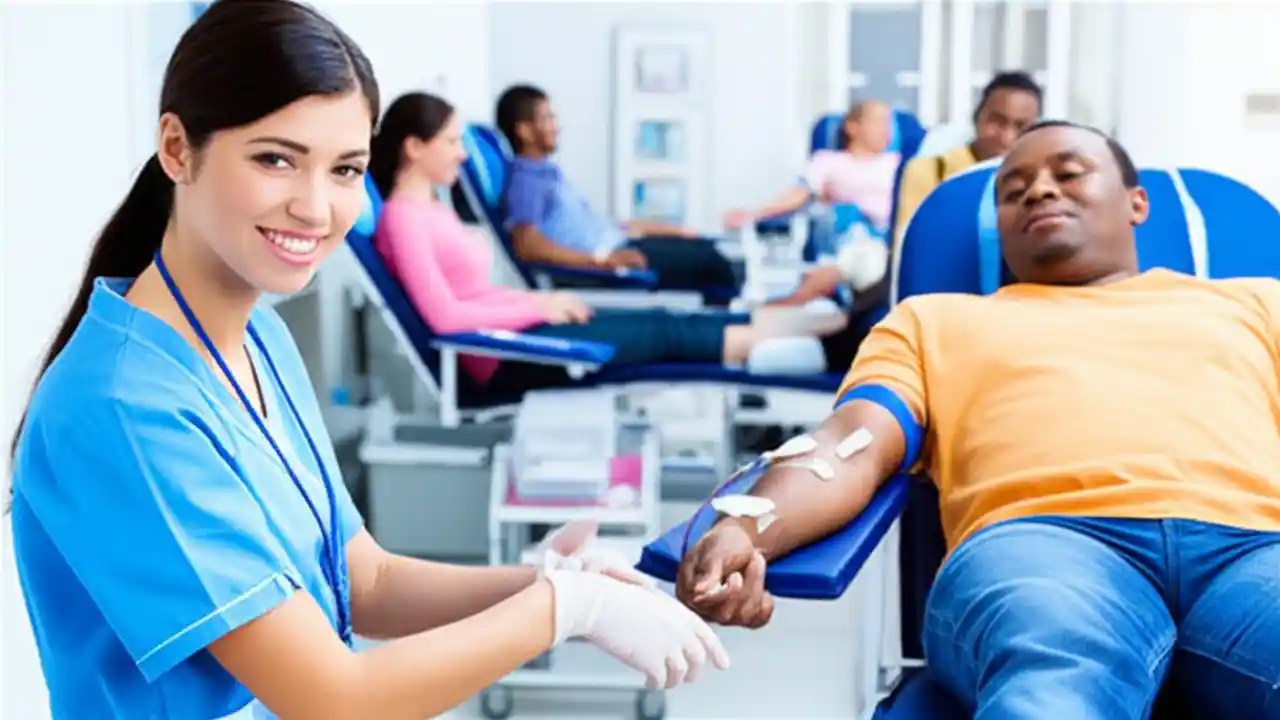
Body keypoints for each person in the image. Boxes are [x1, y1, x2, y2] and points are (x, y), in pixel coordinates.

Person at [8, 3, 729, 718]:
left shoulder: (260, 341)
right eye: (275, 159)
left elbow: (366, 580)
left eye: (346, 169)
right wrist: (564, 609)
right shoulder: (119, 408)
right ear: (176, 149)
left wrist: (540, 581)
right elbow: (334, 698)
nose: (316, 209)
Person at [675, 122, 1280, 718]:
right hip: (1047, 547)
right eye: (1013, 192)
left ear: (1136, 202)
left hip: (1257, 551)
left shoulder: (1255, 305)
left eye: (1068, 174)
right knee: (1058, 679)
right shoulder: (933, 322)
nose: (1039, 191)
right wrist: (748, 528)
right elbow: (848, 444)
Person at [369, 91, 847, 394]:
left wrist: (542, 301)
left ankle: (819, 330)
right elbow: (445, 317)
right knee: (665, 334)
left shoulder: (432, 211)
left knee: (665, 323)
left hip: (518, 332)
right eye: (451, 142)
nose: (461, 153)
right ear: (415, 147)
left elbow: (477, 295)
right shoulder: (403, 220)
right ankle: (827, 348)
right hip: (503, 357)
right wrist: (539, 309)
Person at [495, 84, 739, 301]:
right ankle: (731, 338)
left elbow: (606, 225)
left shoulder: (547, 173)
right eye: (547, 118)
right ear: (524, 131)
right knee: (714, 263)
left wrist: (670, 229)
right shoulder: (526, 181)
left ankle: (727, 333)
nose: (556, 126)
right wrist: (603, 261)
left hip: (621, 243)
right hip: (610, 257)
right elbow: (527, 245)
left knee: (707, 251)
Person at [723, 100, 900, 310]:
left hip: (895, 238)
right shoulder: (829, 162)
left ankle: (796, 300)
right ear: (852, 127)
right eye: (878, 122)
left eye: (888, 123)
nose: (886, 130)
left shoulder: (898, 163)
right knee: (868, 259)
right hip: (851, 237)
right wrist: (754, 214)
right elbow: (799, 194)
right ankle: (785, 307)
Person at [893, 71, 1042, 235]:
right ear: (976, 117)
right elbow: (909, 242)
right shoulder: (931, 171)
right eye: (997, 121)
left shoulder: (1039, 183)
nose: (1006, 137)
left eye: (1021, 127)